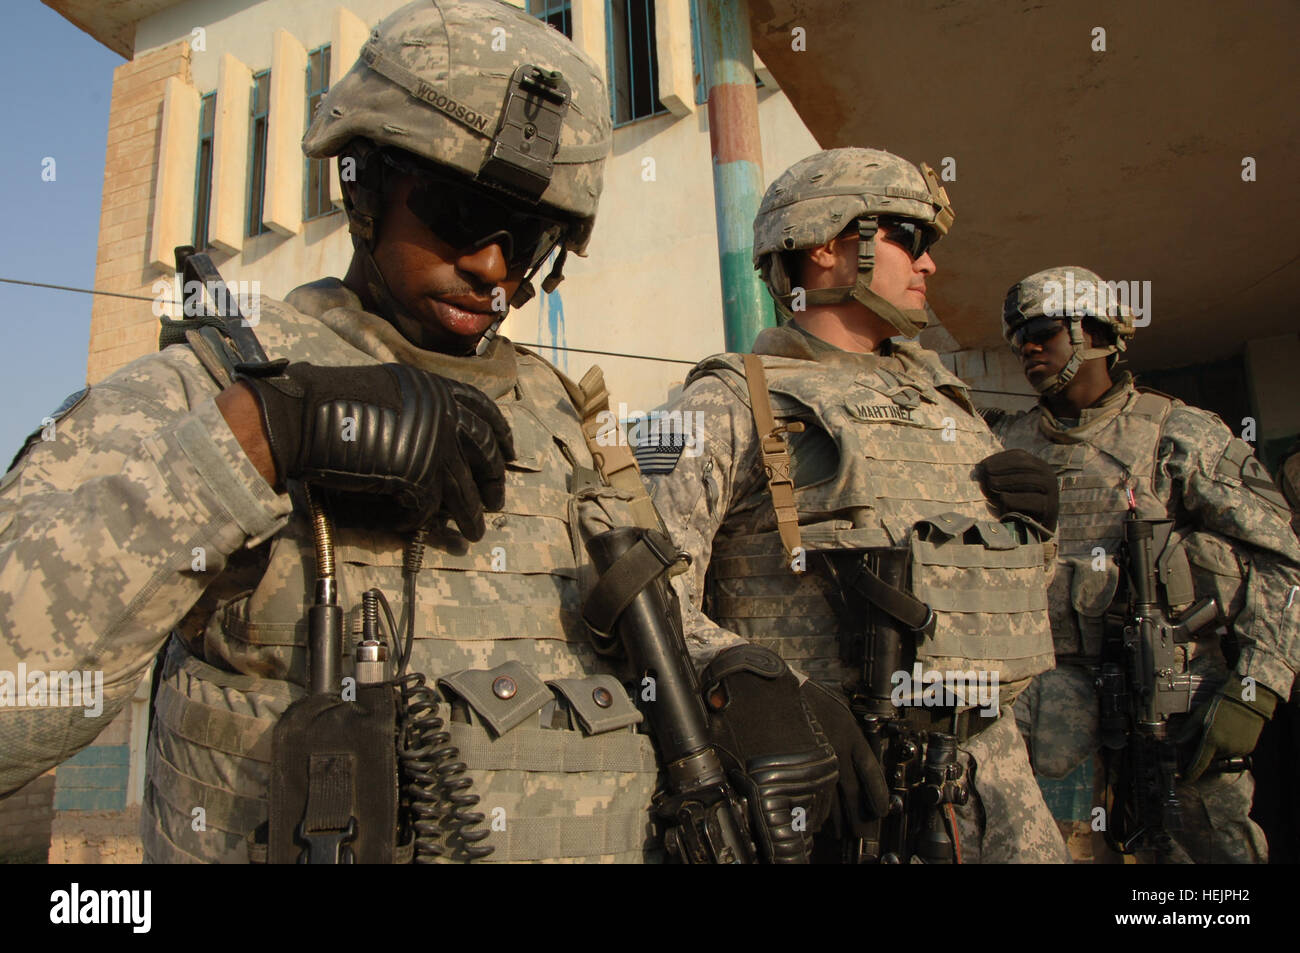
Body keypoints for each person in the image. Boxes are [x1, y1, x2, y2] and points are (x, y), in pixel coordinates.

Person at [0, 0, 839, 865]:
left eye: (530, 237)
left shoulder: (566, 421)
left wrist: (742, 671)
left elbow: (649, 611)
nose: (492, 267)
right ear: (360, 185)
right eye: (455, 210)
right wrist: (260, 440)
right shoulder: (211, 389)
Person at [636, 147, 1069, 863]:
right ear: (827, 246)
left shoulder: (952, 408)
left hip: (993, 787)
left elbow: (1000, 599)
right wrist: (779, 697)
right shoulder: (721, 402)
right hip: (836, 797)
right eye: (911, 238)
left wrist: (1037, 540)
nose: (928, 264)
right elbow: (646, 598)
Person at [994, 265, 1300, 863]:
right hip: (1045, 701)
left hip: (1173, 696)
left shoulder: (1179, 434)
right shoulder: (1003, 443)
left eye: (1043, 330)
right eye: (1018, 337)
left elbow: (1282, 559)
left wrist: (1257, 687)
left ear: (1096, 332)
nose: (1026, 346)